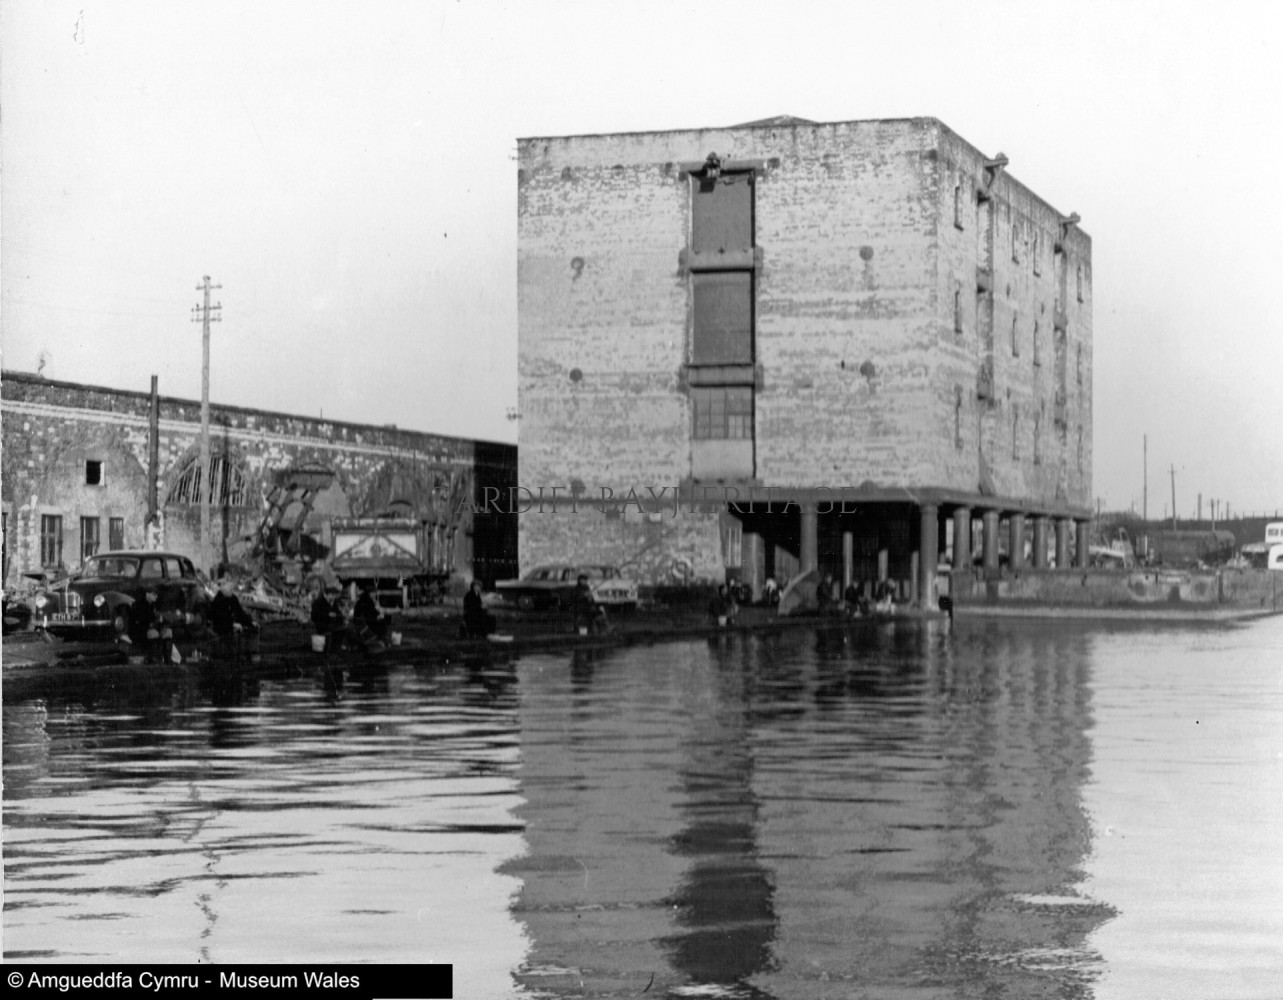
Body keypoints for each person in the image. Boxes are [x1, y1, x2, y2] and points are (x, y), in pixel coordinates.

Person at [210, 577, 258, 661]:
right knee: (234, 634)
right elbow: (219, 620)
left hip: (233, 624)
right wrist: (232, 624)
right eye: (230, 590)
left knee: (253, 629)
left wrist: (250, 622)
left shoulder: (233, 598)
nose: (232, 592)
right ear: (224, 590)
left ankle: (252, 655)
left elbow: (241, 613)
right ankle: (235, 658)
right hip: (222, 627)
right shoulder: (217, 602)